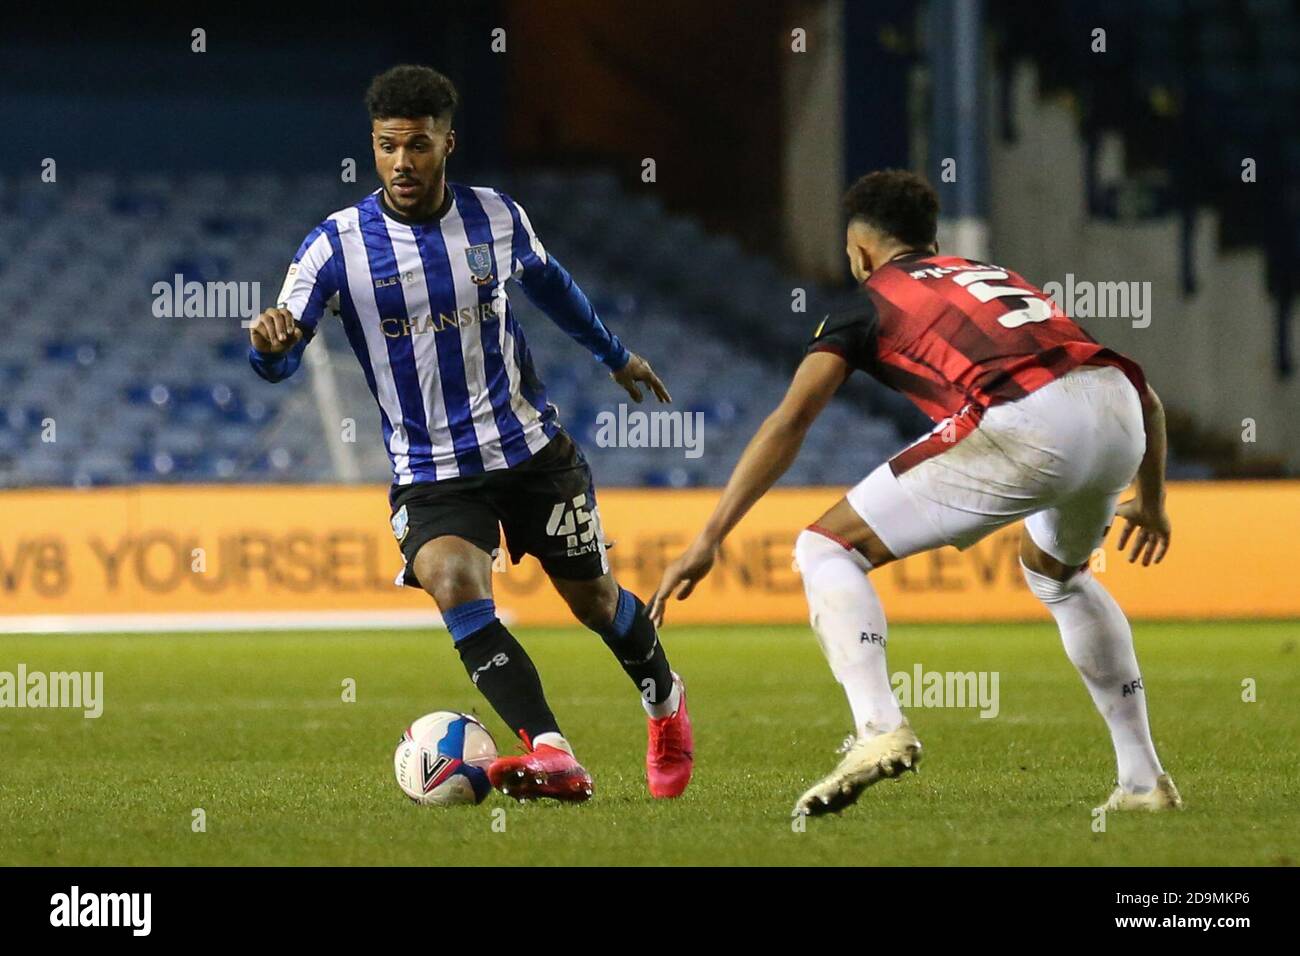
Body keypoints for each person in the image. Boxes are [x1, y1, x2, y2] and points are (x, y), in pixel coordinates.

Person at [651, 169, 1179, 817]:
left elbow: (790, 420)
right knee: (1059, 578)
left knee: (825, 549)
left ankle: (878, 729)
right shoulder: (994, 276)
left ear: (862, 250)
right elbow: (1145, 393)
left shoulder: (868, 300)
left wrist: (709, 538)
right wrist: (1151, 501)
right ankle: (1142, 780)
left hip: (1028, 418)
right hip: (1121, 407)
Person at [249, 65, 693, 803]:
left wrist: (617, 356)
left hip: (529, 452)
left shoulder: (496, 218)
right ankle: (553, 752)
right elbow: (283, 350)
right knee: (452, 580)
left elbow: (552, 285)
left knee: (592, 603)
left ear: (447, 143)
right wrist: (269, 348)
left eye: (417, 146)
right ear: (373, 145)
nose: (401, 163)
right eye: (388, 146)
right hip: (431, 471)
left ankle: (665, 702)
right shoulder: (335, 245)